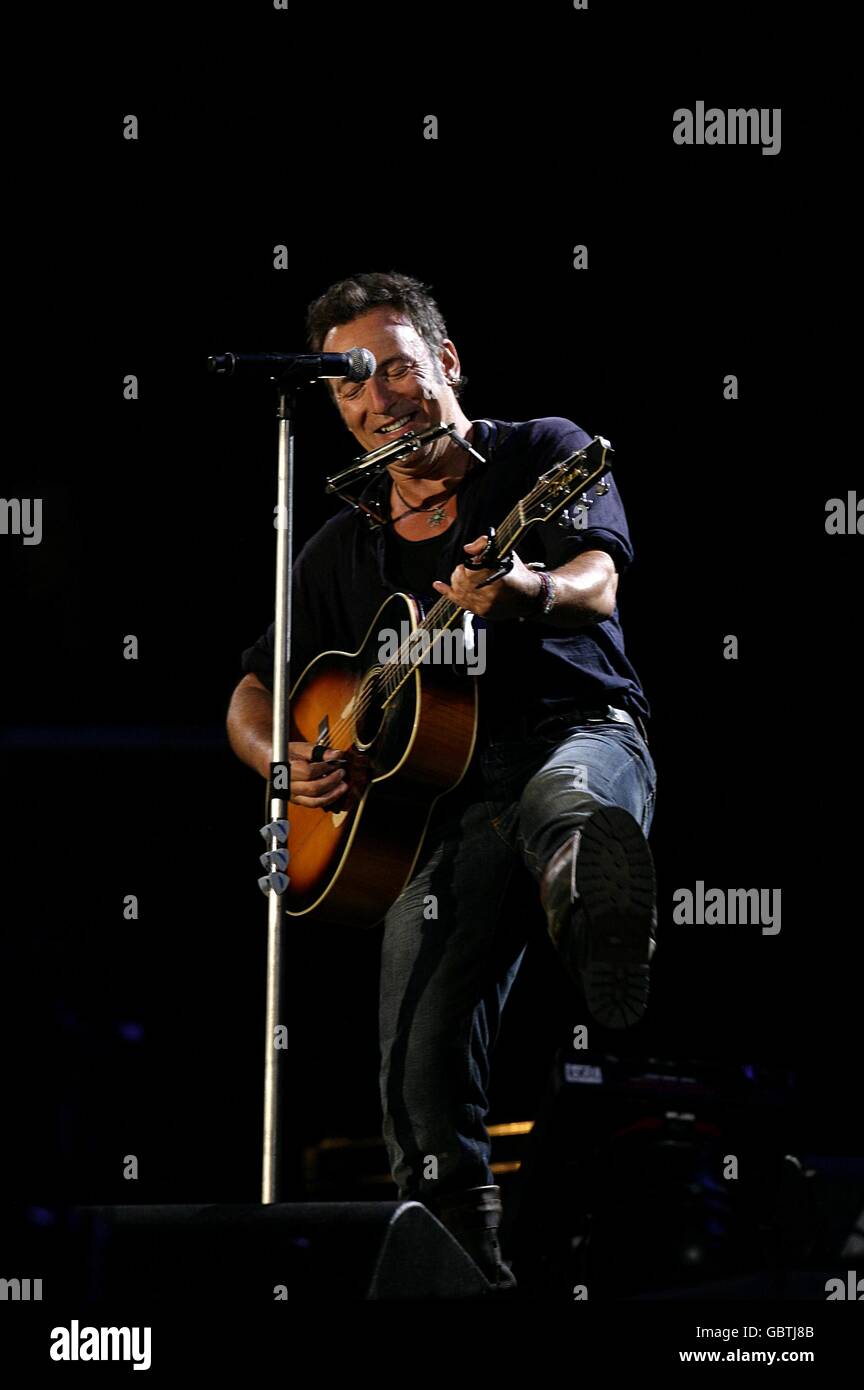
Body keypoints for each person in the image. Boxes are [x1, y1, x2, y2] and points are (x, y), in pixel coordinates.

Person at [226, 271, 658, 1292]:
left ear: (446, 362)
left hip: (572, 731)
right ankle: (472, 1287)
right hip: (440, 813)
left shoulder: (541, 452)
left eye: (397, 369)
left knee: (570, 806)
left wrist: (526, 587)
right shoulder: (344, 543)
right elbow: (252, 688)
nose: (378, 398)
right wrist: (283, 763)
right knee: (417, 1070)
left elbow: (598, 578)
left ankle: (592, 901)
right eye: (350, 385)